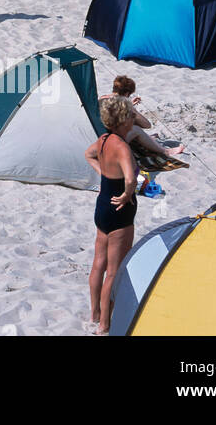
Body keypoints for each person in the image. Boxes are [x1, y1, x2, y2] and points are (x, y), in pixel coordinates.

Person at [85, 95, 139, 335]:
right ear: (122, 120)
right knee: (114, 272)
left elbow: (88, 154)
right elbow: (130, 178)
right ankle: (105, 325)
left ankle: (95, 313)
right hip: (119, 212)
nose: (133, 119)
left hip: (102, 206)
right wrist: (128, 194)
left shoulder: (104, 139)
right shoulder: (122, 147)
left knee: (98, 263)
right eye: (130, 115)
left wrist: (104, 175)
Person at [108, 76, 184, 158]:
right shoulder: (121, 104)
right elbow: (147, 125)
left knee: (129, 125)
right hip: (112, 144)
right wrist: (132, 108)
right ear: (126, 93)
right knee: (136, 129)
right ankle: (166, 151)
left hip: (102, 137)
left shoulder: (103, 99)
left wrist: (129, 104)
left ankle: (148, 139)